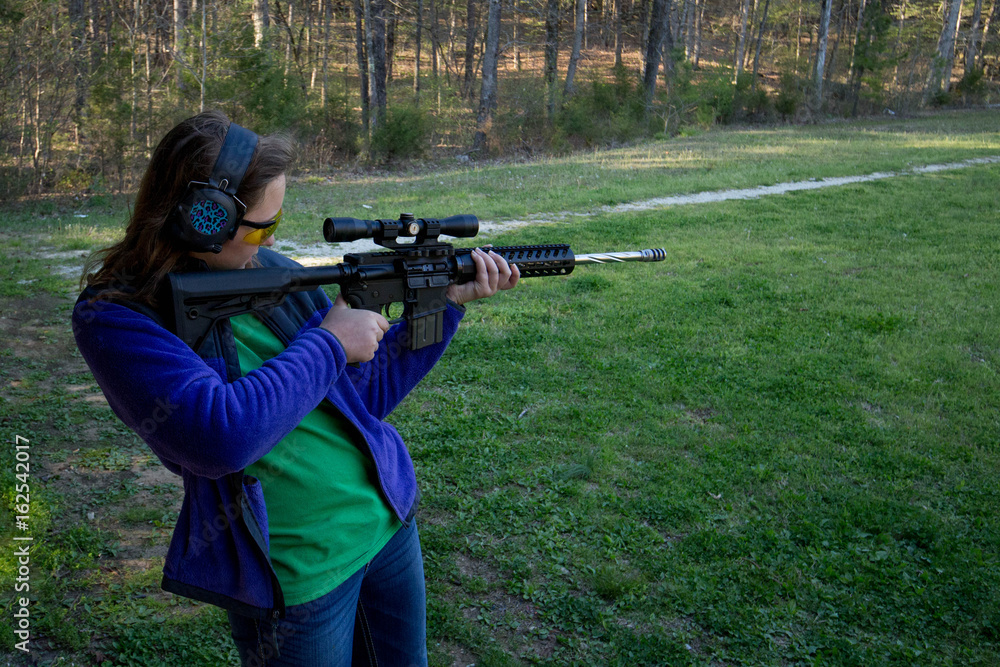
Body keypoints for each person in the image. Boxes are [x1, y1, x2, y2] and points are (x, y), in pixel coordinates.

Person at [72, 110, 519, 666]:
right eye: (262, 226)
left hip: (383, 525)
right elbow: (218, 437)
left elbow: (365, 398)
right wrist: (331, 342)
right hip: (295, 573)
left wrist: (444, 307)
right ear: (200, 221)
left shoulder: (273, 271)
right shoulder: (117, 318)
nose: (270, 240)